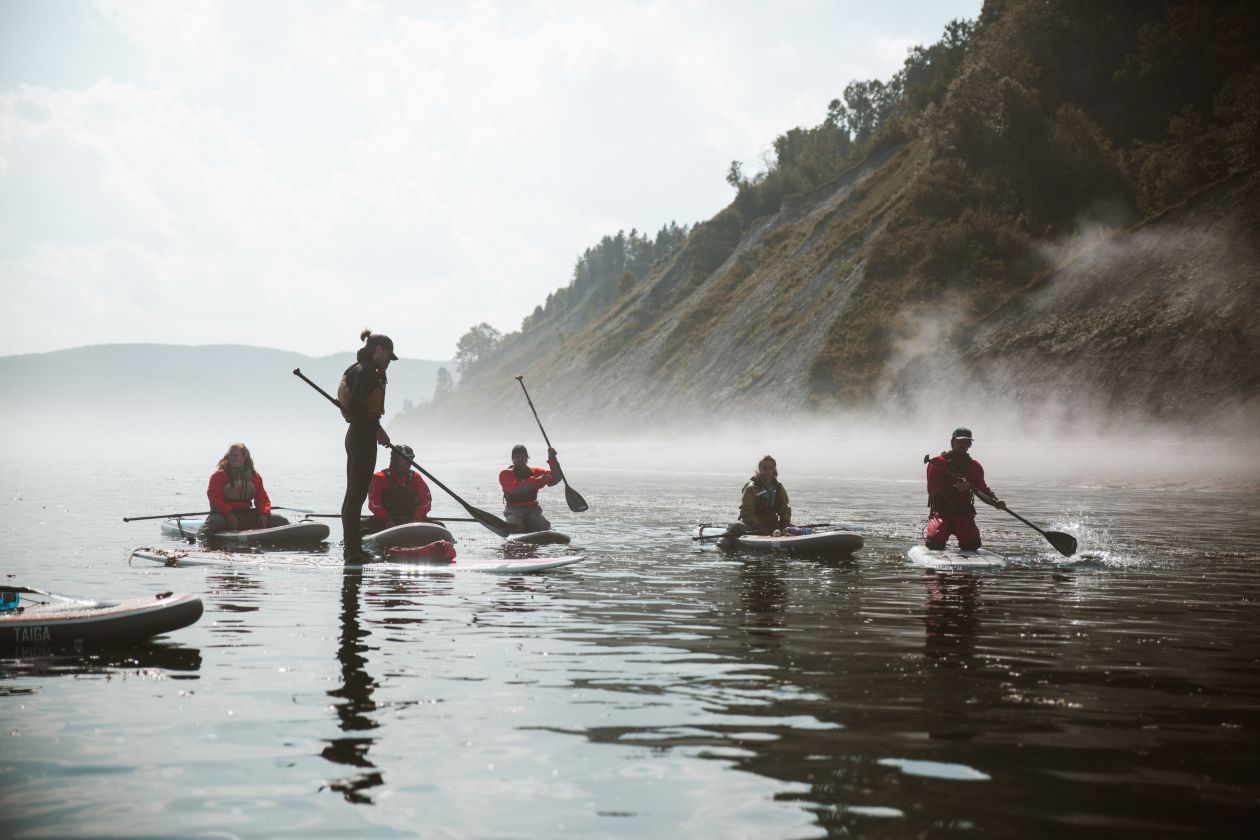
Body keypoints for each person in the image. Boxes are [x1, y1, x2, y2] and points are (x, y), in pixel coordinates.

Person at [338, 329, 395, 562]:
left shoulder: (356, 368)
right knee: (357, 494)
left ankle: (350, 548)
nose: (389, 361)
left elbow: (359, 406)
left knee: (353, 494)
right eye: (388, 356)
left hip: (355, 434)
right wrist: (377, 430)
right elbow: (360, 406)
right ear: (378, 350)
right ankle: (353, 551)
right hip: (362, 437)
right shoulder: (369, 372)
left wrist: (374, 429)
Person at [925, 426, 1006, 551]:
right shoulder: (937, 463)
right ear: (952, 442)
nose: (962, 445)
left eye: (966, 442)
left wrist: (995, 501)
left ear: (970, 445)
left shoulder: (975, 466)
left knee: (972, 544)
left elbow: (982, 490)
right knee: (935, 543)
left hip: (963, 515)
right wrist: (955, 489)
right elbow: (933, 491)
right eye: (959, 441)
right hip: (942, 514)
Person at [200, 443, 290, 537]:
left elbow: (262, 499)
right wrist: (228, 514)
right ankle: (198, 545)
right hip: (222, 516)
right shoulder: (218, 476)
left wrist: (263, 514)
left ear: (244, 457)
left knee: (281, 520)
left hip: (245, 515)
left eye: (236, 455)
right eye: (230, 455)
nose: (232, 458)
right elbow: (214, 498)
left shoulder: (254, 477)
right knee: (210, 527)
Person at [366, 444, 432, 531]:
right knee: (363, 528)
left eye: (410, 459)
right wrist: (387, 521)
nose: (408, 463)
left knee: (440, 525)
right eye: (404, 459)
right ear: (395, 460)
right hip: (384, 523)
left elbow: (426, 501)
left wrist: (416, 519)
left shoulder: (416, 477)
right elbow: (374, 504)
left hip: (412, 522)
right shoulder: (379, 478)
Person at [499, 444, 560, 533]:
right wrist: (536, 481)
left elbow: (555, 478)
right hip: (514, 510)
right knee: (516, 525)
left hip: (533, 510)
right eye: (517, 457)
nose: (520, 460)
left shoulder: (536, 472)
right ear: (513, 459)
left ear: (527, 458)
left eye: (523, 457)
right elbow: (517, 490)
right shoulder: (505, 474)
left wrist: (553, 459)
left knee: (541, 525)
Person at [738, 455, 791, 535]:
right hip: (751, 525)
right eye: (764, 468)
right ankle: (720, 546)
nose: (767, 471)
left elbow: (785, 509)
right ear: (759, 469)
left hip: (772, 525)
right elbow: (746, 512)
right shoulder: (752, 488)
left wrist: (785, 521)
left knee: (793, 530)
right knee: (735, 527)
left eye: (770, 468)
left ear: (774, 470)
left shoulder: (778, 487)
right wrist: (758, 525)